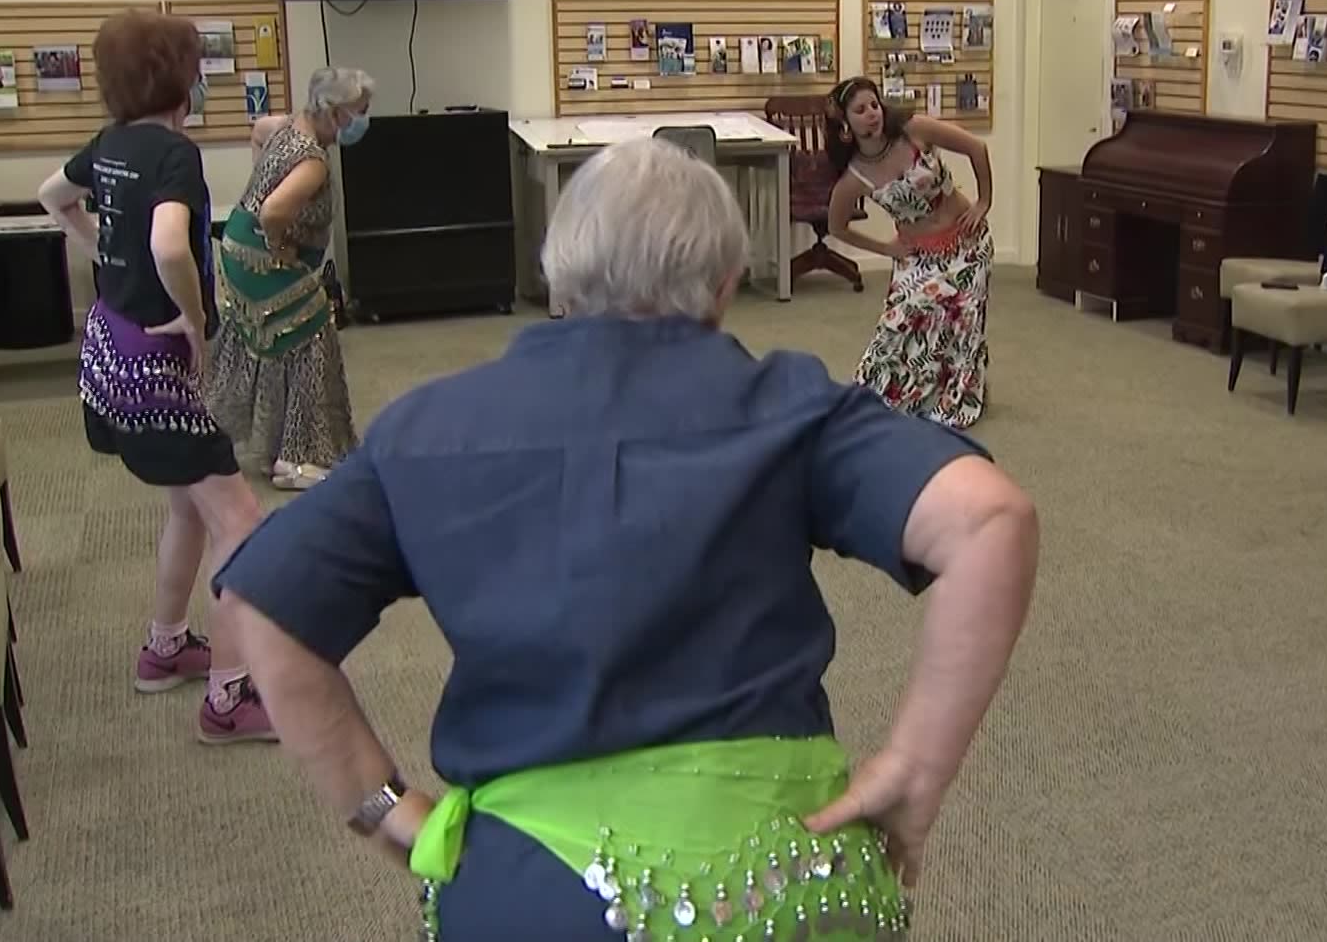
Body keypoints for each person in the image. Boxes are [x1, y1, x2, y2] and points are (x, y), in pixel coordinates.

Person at [211, 138, 1038, 941]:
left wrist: (383, 811)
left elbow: (267, 603)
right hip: (786, 886)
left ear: (555, 275)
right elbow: (991, 519)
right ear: (723, 286)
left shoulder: (428, 428)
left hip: (530, 895)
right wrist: (917, 768)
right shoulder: (791, 400)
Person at [35, 9, 273, 743]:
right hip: (156, 365)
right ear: (184, 78)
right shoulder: (173, 154)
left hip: (109, 351)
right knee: (242, 525)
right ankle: (231, 701)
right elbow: (172, 241)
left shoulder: (110, 143)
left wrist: (105, 255)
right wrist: (195, 318)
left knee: (188, 507)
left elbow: (54, 195)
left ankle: (166, 649)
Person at [204, 66, 371, 491]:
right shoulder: (312, 161)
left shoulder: (284, 125)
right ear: (335, 112)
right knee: (313, 338)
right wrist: (280, 246)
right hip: (264, 260)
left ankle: (260, 439)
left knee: (263, 340)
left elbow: (258, 134)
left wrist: (260, 181)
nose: (363, 121)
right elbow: (274, 211)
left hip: (237, 247)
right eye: (360, 111)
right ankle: (300, 458)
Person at [824, 76, 994, 430]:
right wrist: (885, 248)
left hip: (967, 245)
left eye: (874, 105)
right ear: (845, 124)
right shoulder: (854, 177)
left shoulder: (914, 130)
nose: (872, 114)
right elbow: (837, 227)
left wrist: (983, 202)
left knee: (961, 323)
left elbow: (977, 148)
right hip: (918, 256)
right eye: (860, 110)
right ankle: (895, 394)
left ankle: (958, 388)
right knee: (900, 325)